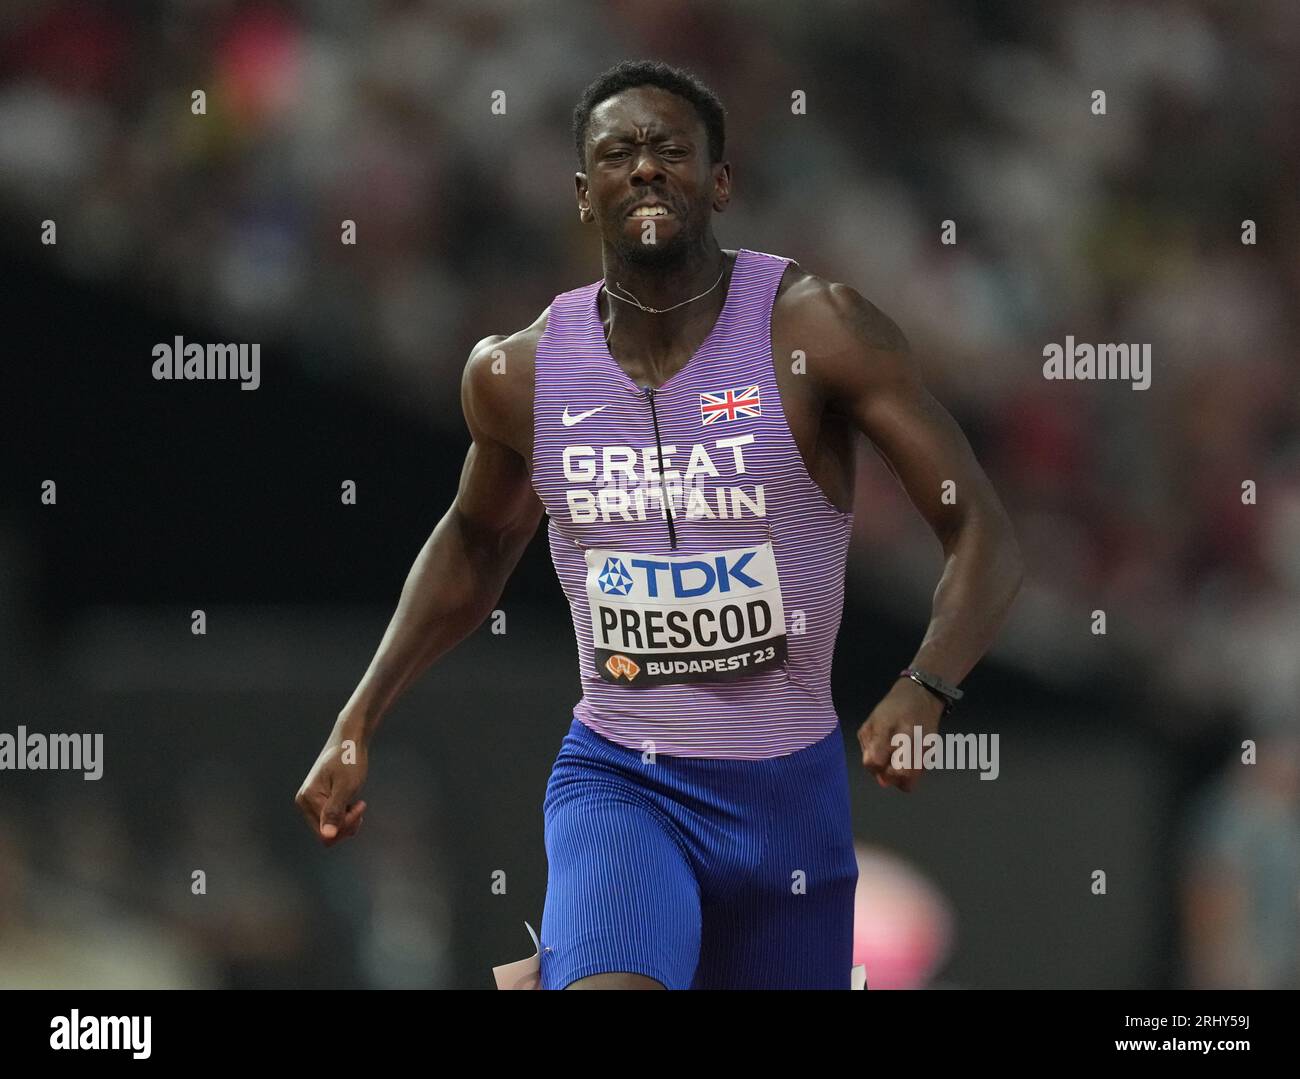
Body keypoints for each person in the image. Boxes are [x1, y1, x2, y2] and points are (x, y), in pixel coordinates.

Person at [295, 60, 1023, 990]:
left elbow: (983, 532)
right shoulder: (517, 376)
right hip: (621, 781)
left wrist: (927, 685)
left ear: (720, 182)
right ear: (582, 192)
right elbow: (474, 545)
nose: (644, 168)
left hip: (788, 799)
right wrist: (358, 718)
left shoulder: (819, 332)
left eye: (671, 150)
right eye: (618, 153)